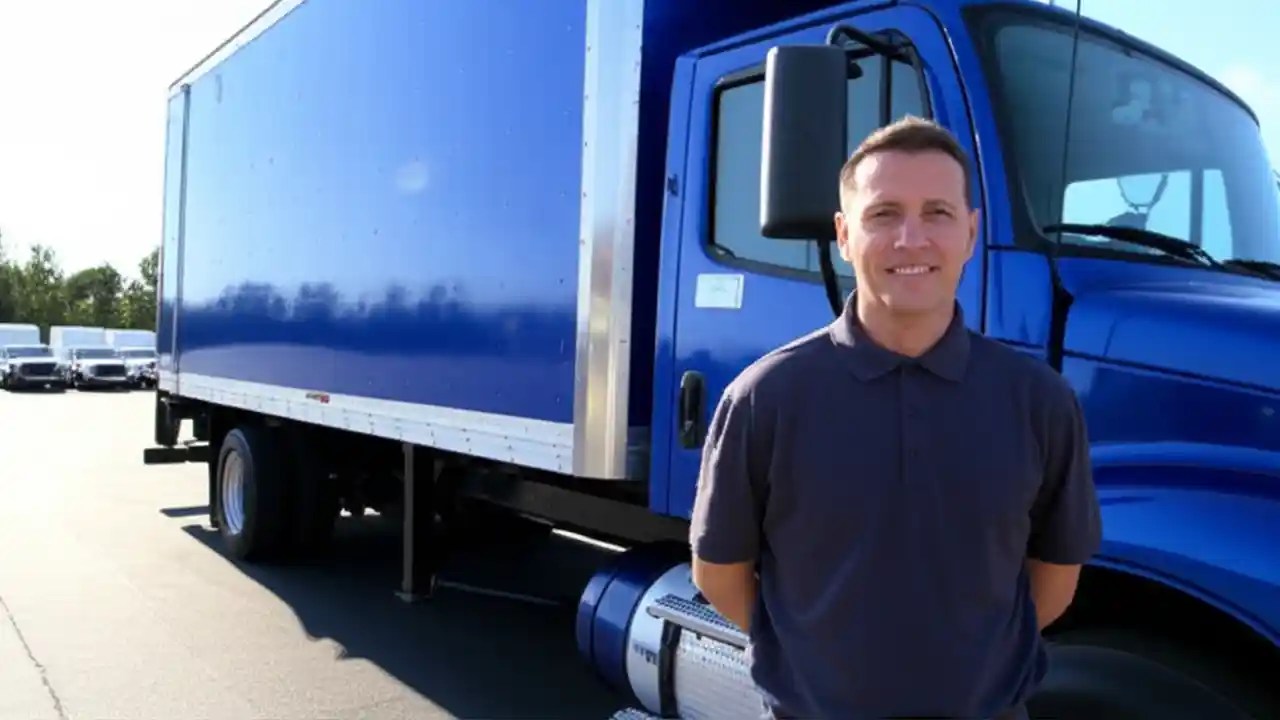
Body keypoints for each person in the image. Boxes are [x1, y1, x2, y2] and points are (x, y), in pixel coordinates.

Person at [687, 115, 1102, 719]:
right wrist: (817, 659)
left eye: (937, 212)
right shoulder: (766, 397)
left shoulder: (1039, 400)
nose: (912, 239)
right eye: (883, 214)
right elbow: (719, 573)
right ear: (844, 235)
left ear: (969, 232)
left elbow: (1056, 579)